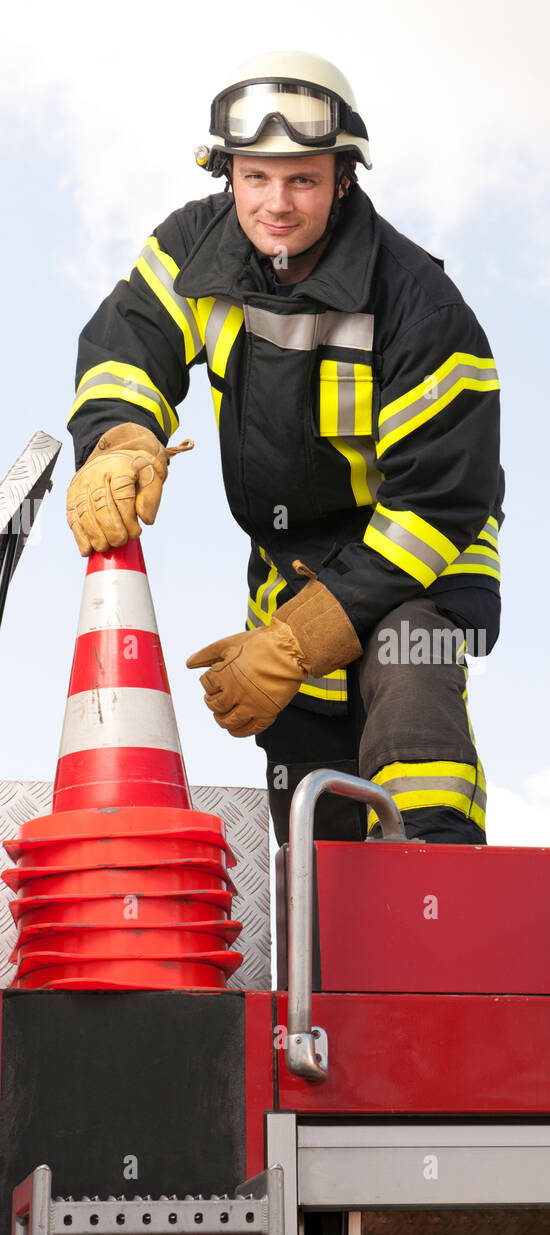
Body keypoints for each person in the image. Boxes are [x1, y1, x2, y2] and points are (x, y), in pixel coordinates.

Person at [65, 50, 504, 845]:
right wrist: (120, 439)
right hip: (288, 570)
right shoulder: (193, 249)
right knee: (310, 804)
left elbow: (440, 500)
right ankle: (328, 947)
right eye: (256, 177)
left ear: (343, 179)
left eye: (301, 179)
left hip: (419, 561)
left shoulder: (419, 304)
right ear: (225, 171)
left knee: (410, 689)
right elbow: (130, 345)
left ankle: (438, 905)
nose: (276, 203)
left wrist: (303, 639)